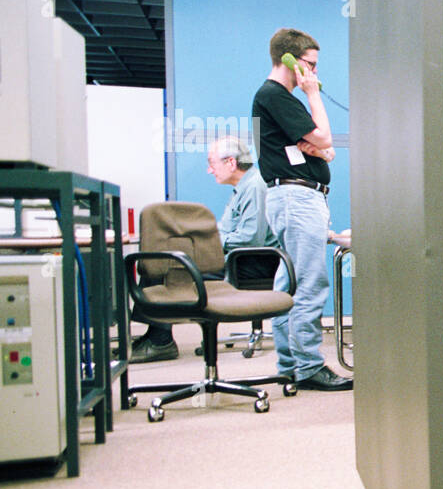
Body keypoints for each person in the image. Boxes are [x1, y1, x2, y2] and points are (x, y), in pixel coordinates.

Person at [252, 27, 352, 391]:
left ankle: (290, 364)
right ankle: (308, 366)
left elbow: (322, 149)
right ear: (290, 60)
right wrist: (313, 96)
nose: (315, 75)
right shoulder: (275, 95)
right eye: (310, 66)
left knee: (288, 283)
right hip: (297, 198)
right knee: (309, 281)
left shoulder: (271, 99)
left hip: (293, 196)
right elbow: (324, 139)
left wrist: (320, 147)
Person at [129, 136, 278, 363]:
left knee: (167, 270)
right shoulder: (243, 187)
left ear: (231, 163)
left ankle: (160, 341)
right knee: (159, 263)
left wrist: (206, 243)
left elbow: (249, 239)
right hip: (239, 257)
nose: (209, 170)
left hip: (251, 262)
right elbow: (224, 232)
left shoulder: (255, 187)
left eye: (212, 163)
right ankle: (156, 335)